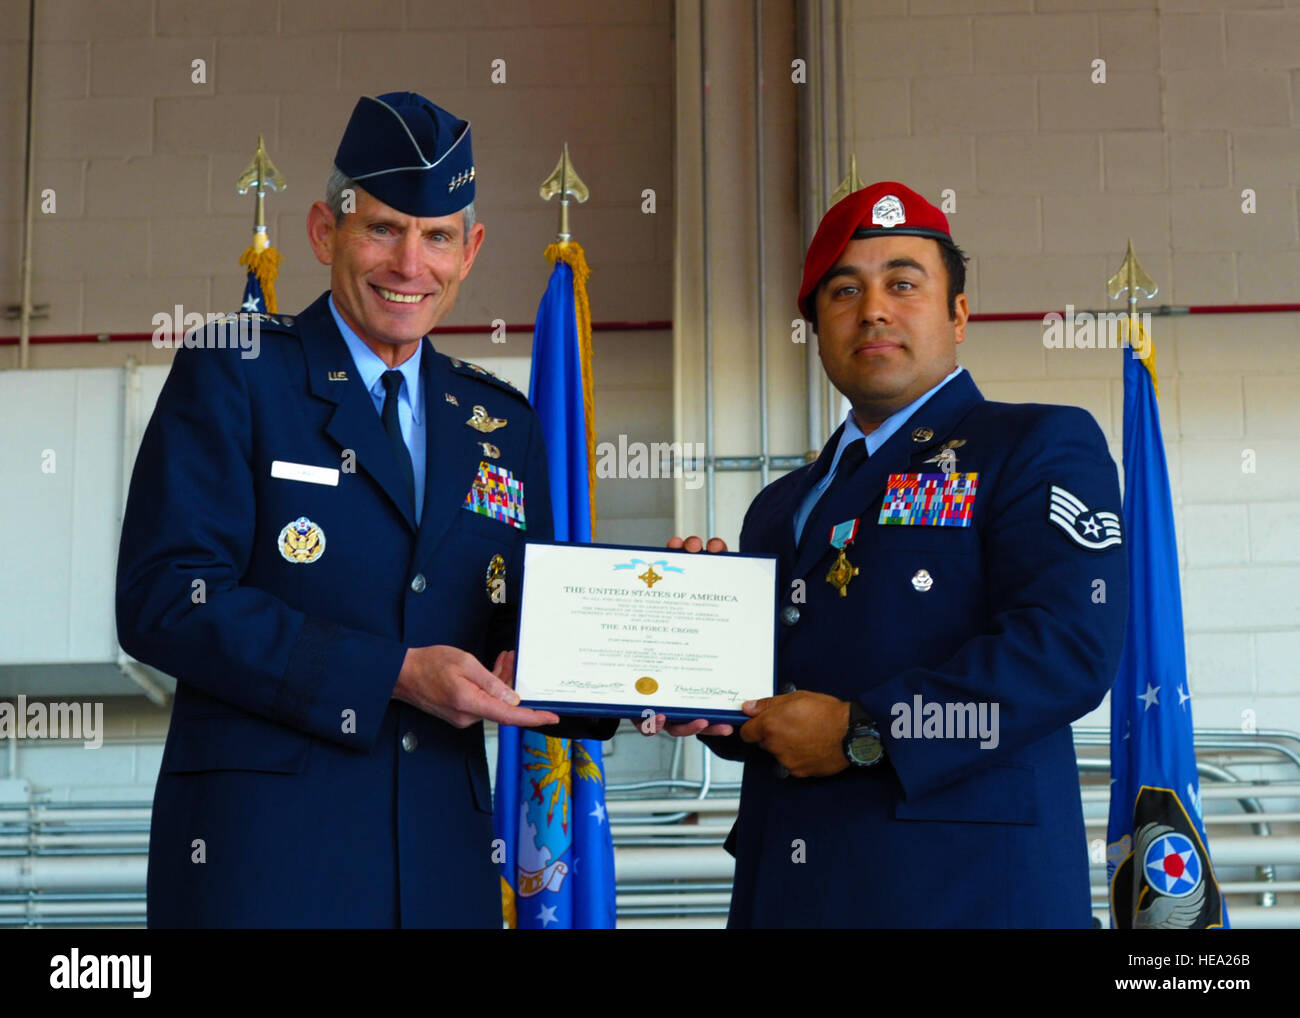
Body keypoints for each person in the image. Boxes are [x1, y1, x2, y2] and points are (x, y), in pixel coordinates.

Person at [116, 91, 613, 928]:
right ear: (324, 231)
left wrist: (659, 665)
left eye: (438, 236)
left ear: (470, 250)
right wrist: (391, 672)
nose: (409, 264)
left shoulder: (502, 423)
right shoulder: (236, 372)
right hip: (263, 868)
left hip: (442, 870)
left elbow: (529, 638)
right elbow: (165, 599)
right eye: (383, 228)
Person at [656, 181, 1129, 928]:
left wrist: (863, 731)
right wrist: (709, 691)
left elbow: (1066, 651)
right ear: (815, 327)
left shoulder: (1035, 446)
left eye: (903, 283)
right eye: (844, 291)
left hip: (963, 896)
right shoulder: (780, 506)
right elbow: (781, 705)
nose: (873, 308)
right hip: (791, 889)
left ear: (959, 314)